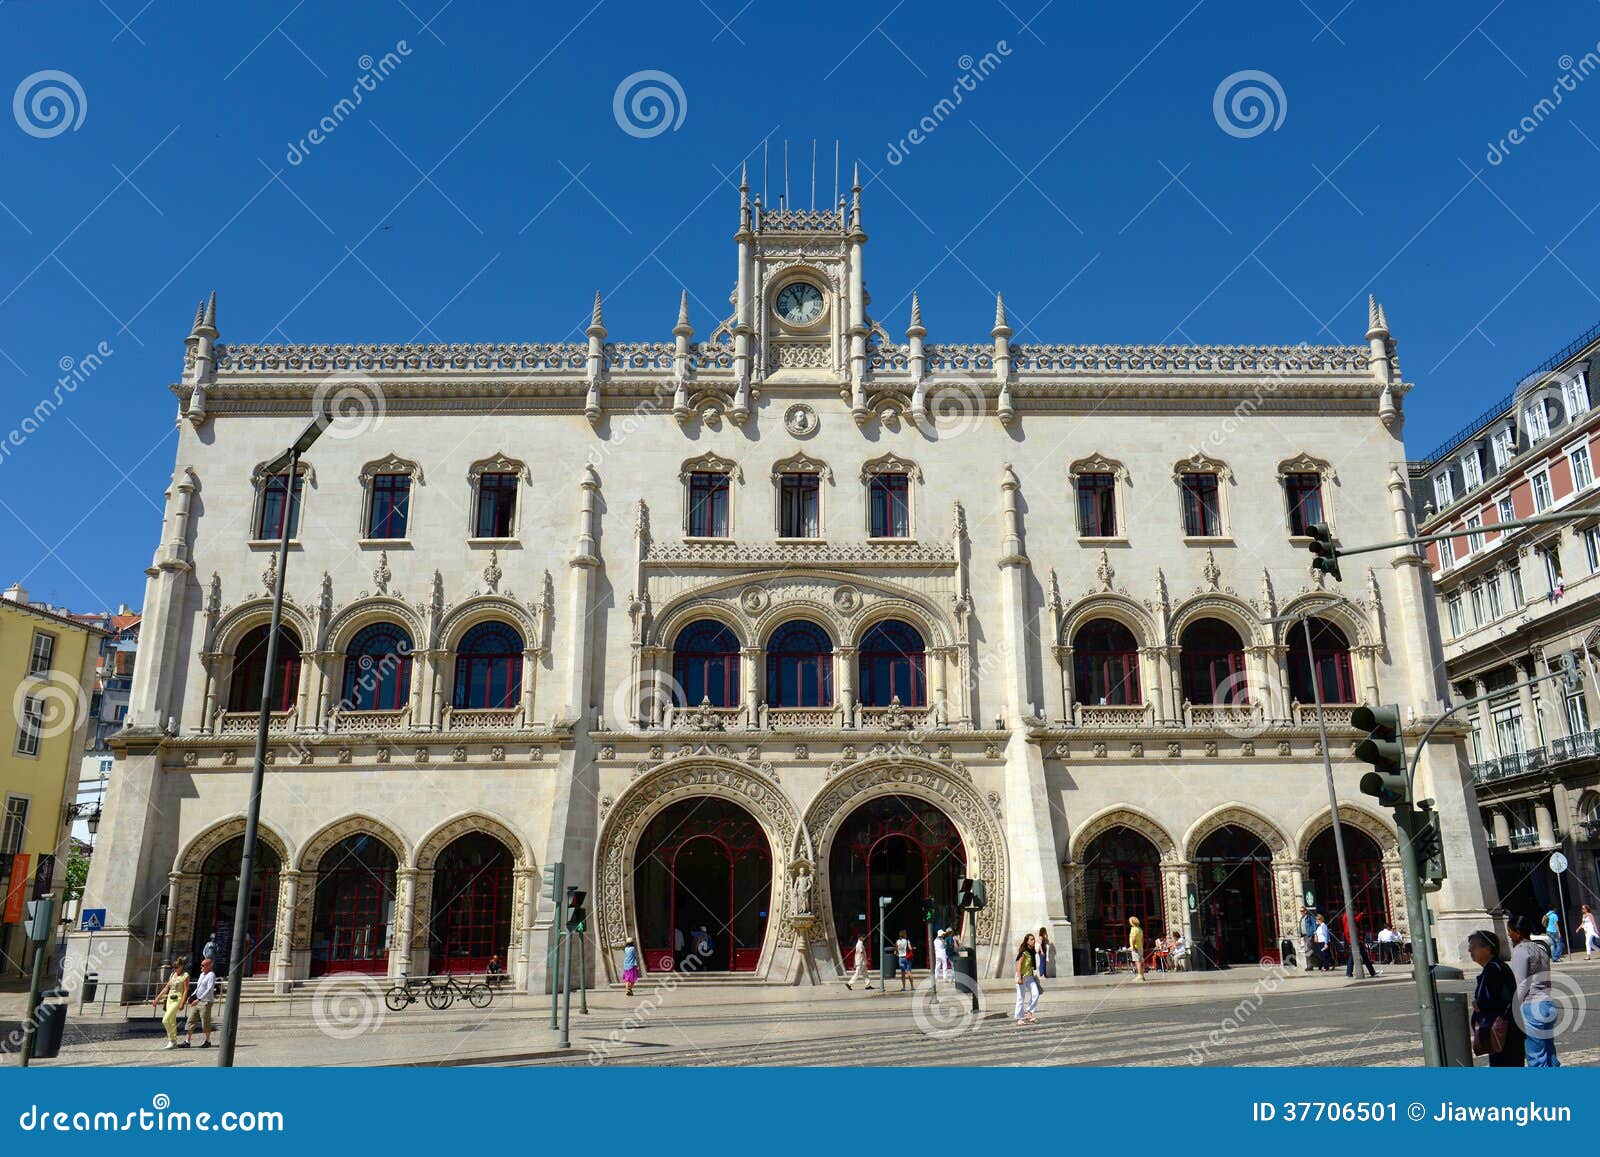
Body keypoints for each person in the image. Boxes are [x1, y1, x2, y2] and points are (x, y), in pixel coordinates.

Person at [1507, 914, 1560, 1066]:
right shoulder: (1541, 948)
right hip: (1547, 1004)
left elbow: (1522, 984)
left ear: (1517, 932)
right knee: (1550, 1055)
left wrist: (1513, 1006)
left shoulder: (1520, 951)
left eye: (1510, 931)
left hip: (1532, 1006)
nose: (1509, 935)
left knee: (1536, 1058)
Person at [1467, 930, 1523, 1067]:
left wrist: (1479, 1004)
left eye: (1473, 947)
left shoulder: (1494, 969)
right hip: (1502, 1033)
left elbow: (1496, 1000)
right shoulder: (1494, 967)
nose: (1469, 950)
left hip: (1504, 1033)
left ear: (1487, 949)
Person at [151, 957, 190, 1051]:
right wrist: (157, 999)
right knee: (171, 1022)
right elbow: (166, 988)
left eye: (176, 967)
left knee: (165, 1020)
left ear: (181, 966)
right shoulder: (173, 974)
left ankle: (172, 1040)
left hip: (178, 998)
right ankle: (173, 1041)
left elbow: (186, 990)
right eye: (174, 967)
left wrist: (182, 1003)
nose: (175, 969)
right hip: (169, 999)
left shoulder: (185, 975)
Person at [181, 957, 216, 1049]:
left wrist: (199, 999)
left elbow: (209, 989)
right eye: (201, 965)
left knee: (205, 1022)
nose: (201, 967)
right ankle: (187, 1041)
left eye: (203, 965)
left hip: (206, 1002)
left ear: (209, 966)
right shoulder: (202, 975)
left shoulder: (211, 975)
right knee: (190, 1020)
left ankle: (207, 1041)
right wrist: (192, 996)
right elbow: (198, 987)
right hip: (197, 1001)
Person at [1013, 932, 1040, 1025]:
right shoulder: (1023, 952)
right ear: (1027, 941)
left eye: (1034, 939)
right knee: (1021, 997)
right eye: (1031, 939)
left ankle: (1029, 1013)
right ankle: (1019, 1018)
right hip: (1022, 976)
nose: (1033, 941)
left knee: (1036, 993)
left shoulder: (1032, 952)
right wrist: (1019, 978)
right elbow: (1018, 964)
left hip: (1030, 977)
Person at [1299, 906, 1318, 972]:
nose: (1301, 912)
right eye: (1300, 911)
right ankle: (1315, 963)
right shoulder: (1302, 918)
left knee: (1309, 950)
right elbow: (1300, 927)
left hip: (1309, 935)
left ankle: (1310, 966)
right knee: (1308, 950)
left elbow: (1314, 925)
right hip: (1304, 936)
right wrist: (1299, 936)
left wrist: (1315, 934)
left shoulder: (1310, 917)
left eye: (1302, 911)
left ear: (1305, 911)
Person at [1129, 916, 1146, 980]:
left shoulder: (1133, 929)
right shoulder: (1140, 929)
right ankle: (1142, 975)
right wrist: (1141, 946)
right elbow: (1142, 939)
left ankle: (1139, 976)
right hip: (1140, 947)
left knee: (1137, 961)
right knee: (1141, 961)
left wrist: (1133, 947)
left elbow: (1133, 938)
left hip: (1136, 947)